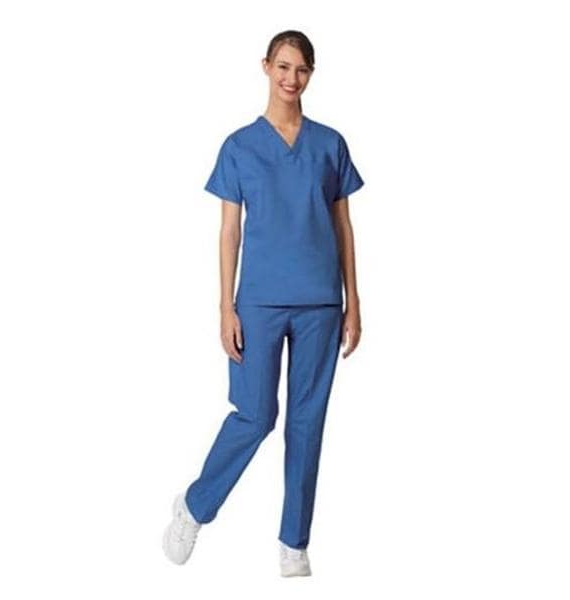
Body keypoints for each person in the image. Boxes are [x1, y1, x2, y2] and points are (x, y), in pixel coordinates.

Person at [162, 30, 364, 577]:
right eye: (283, 66)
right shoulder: (239, 147)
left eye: (301, 69)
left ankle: (294, 544)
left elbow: (343, 227)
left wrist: (353, 300)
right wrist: (224, 308)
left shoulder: (330, 145)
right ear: (266, 67)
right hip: (258, 303)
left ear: (311, 74)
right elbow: (229, 233)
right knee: (255, 414)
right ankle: (195, 506)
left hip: (320, 303)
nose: (291, 78)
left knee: (307, 422)